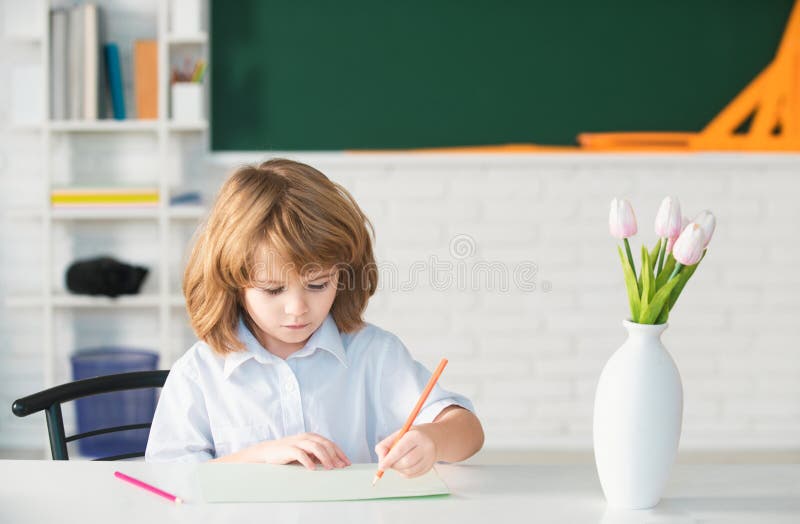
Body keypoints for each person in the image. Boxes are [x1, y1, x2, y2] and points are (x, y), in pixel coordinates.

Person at [145, 159, 484, 478]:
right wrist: (259, 457)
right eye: (273, 289)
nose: (297, 308)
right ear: (232, 284)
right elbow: (167, 475)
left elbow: (468, 431)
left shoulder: (373, 354)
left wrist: (432, 439)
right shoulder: (200, 372)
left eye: (318, 284)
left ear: (344, 274)